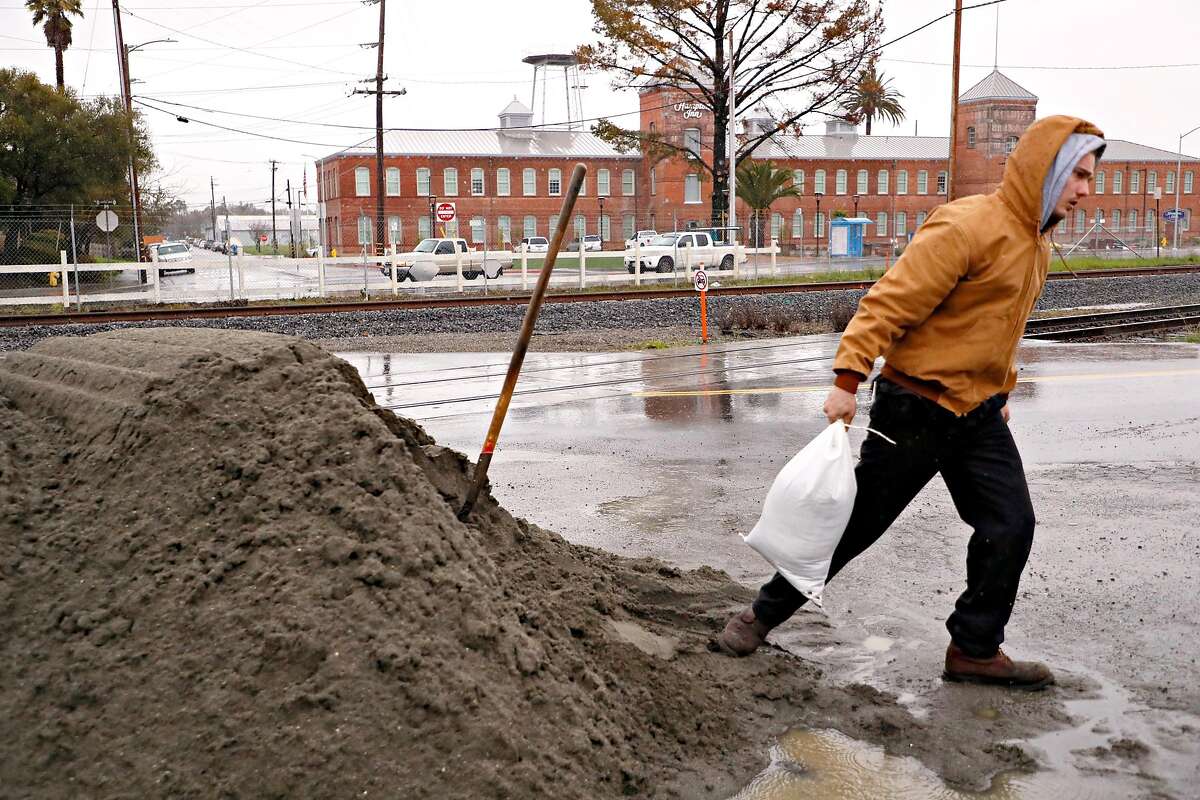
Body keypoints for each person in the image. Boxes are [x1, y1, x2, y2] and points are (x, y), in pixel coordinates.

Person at [718, 115, 1106, 690]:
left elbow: (998, 326)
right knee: (856, 525)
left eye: (1089, 178)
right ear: (1042, 170)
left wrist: (1001, 389)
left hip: (977, 414)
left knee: (1011, 523)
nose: (1083, 190)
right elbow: (888, 303)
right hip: (917, 407)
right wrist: (847, 380)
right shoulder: (967, 225)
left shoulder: (1036, 244)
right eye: (1076, 174)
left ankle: (974, 649)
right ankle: (760, 616)